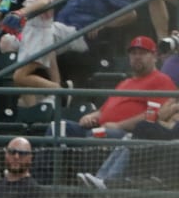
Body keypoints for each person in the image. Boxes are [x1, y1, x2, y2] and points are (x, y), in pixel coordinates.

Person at [46, 37, 179, 181]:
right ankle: (43, 186)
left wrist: (118, 125)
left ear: (154, 56)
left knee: (94, 135)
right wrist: (93, 116)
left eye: (142, 53)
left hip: (124, 133)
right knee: (57, 128)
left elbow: (152, 116)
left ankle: (86, 197)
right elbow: (104, 110)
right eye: (133, 53)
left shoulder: (161, 80)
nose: (137, 57)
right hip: (102, 126)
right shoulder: (125, 82)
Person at [7, 0, 62, 99]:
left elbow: (44, 1)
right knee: (21, 83)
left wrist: (22, 12)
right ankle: (32, 112)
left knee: (19, 76)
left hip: (41, 37)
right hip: (30, 36)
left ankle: (61, 91)